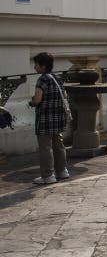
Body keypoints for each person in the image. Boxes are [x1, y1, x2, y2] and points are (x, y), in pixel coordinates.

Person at [29, 52, 69, 184]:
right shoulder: (58, 78)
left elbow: (37, 99)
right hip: (58, 117)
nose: (35, 67)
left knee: (45, 147)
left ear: (43, 66)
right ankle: (62, 171)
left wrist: (31, 102)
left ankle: (47, 175)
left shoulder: (42, 79)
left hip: (45, 119)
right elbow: (64, 95)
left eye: (36, 64)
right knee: (59, 145)